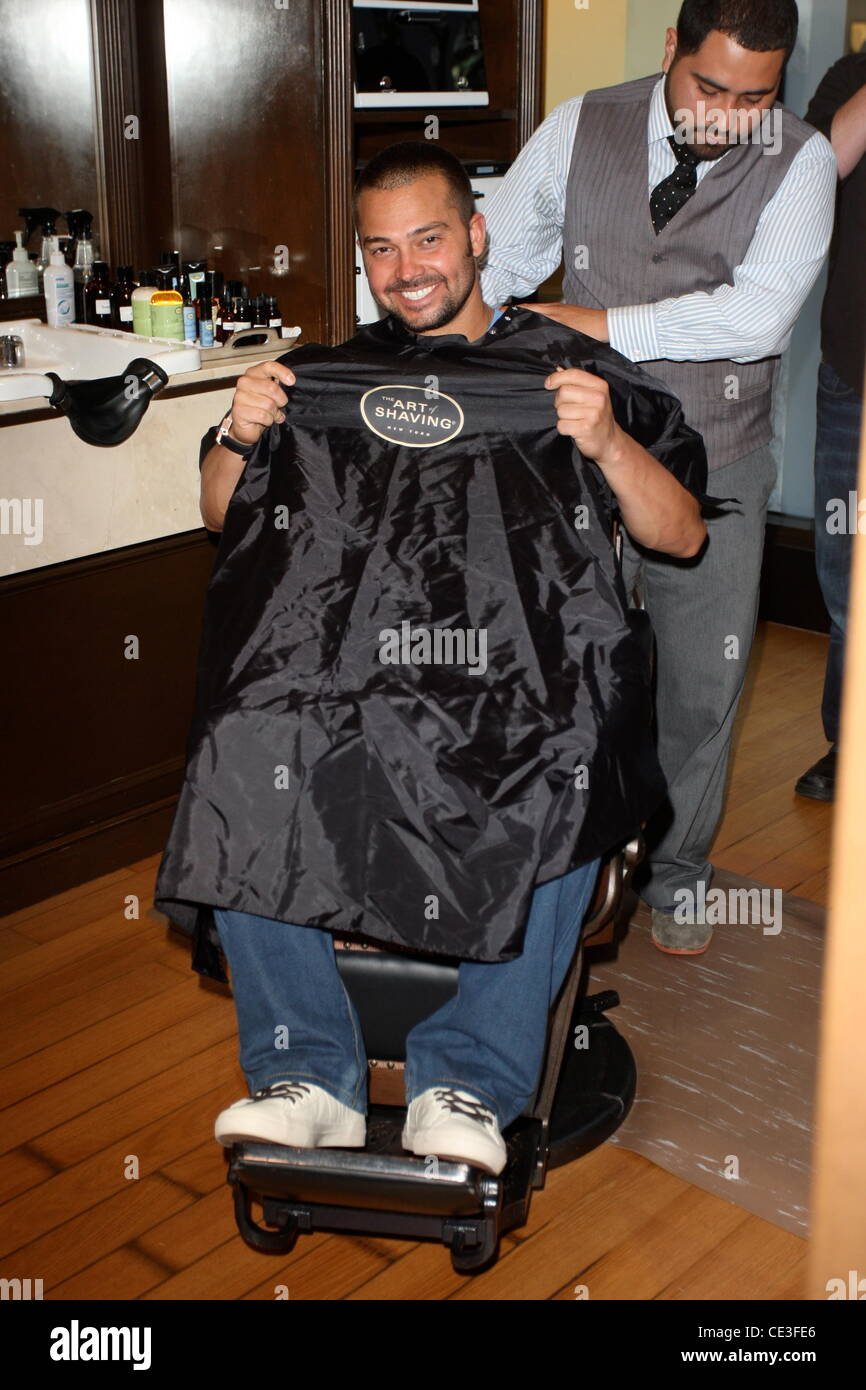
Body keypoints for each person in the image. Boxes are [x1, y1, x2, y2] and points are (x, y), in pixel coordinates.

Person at [154, 142, 714, 1177]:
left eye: (427, 239)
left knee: (567, 764)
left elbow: (679, 533)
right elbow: (218, 515)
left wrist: (604, 445)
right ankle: (304, 1074)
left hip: (523, 695)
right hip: (359, 691)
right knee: (245, 734)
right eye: (380, 249)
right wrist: (236, 436)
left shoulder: (563, 369)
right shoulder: (329, 376)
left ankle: (467, 1081)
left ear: (476, 236)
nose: (406, 269)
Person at [478, 0, 837, 954]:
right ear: (669, 46)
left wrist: (596, 322)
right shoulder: (579, 125)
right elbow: (499, 260)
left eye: (752, 98)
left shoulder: (801, 162)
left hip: (719, 458)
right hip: (576, 455)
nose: (725, 116)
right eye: (708, 87)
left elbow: (753, 320)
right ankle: (553, 866)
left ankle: (676, 874)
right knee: (565, 668)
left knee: (695, 685)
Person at [795, 47, 866, 802]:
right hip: (853, 373)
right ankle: (849, 745)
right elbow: (817, 171)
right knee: (846, 579)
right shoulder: (853, 77)